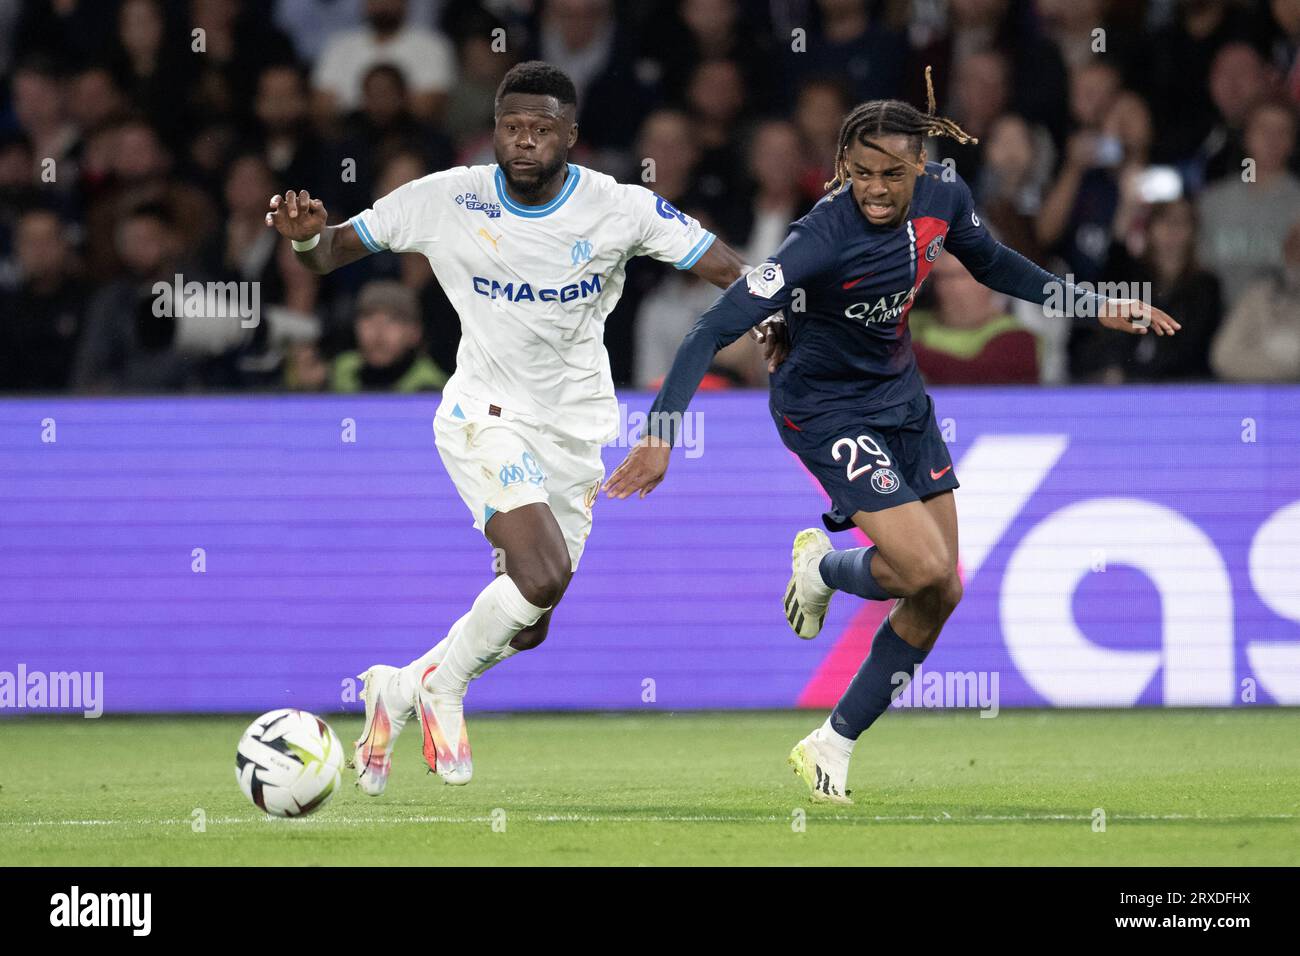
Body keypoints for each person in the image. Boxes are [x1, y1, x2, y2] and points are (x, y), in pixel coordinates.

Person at [605, 71, 1178, 805]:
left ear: (921, 168)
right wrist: (660, 433)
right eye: (862, 173)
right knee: (918, 565)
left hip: (900, 400)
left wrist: (1091, 303)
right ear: (844, 167)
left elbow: (997, 265)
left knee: (943, 587)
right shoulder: (818, 237)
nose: (876, 188)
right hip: (824, 408)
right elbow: (714, 325)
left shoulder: (946, 200)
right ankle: (824, 572)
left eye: (893, 174)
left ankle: (831, 742)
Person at [265, 61, 767, 793]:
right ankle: (442, 692)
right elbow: (338, 246)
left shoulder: (619, 206)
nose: (523, 141)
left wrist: (780, 310)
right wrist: (308, 240)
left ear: (572, 137)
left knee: (529, 621)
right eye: (511, 127)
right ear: (494, 130)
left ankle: (402, 687)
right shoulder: (447, 197)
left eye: (540, 129)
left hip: (575, 433)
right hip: (483, 415)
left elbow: (726, 267)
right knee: (541, 572)